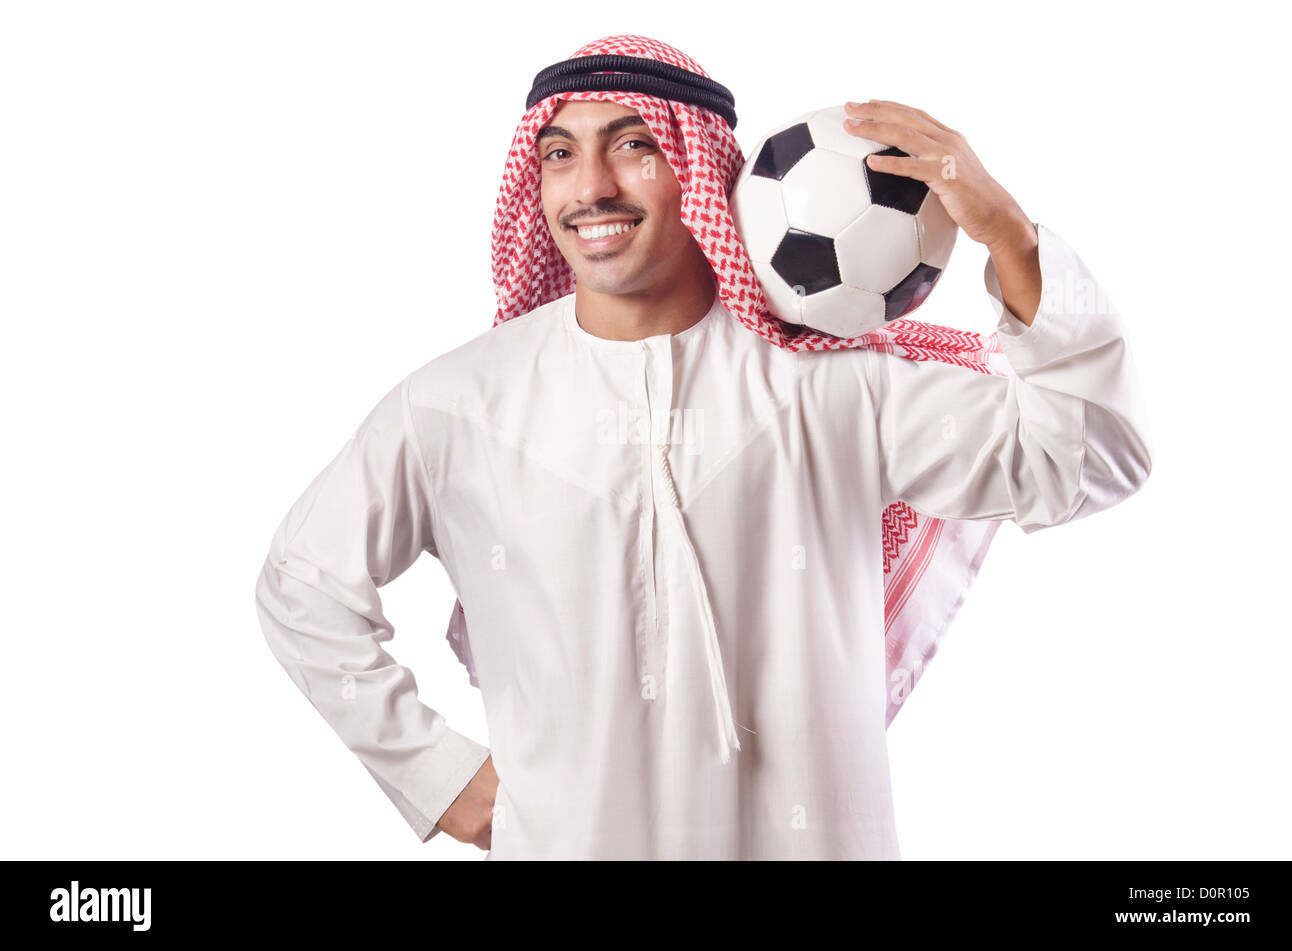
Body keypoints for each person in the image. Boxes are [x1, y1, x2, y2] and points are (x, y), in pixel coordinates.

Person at [253, 34, 1153, 860]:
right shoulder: (458, 402)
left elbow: (1097, 455)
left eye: (635, 145)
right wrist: (442, 778)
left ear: (705, 172)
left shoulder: (834, 387)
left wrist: (1007, 232)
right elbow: (303, 582)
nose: (592, 185)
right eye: (561, 154)